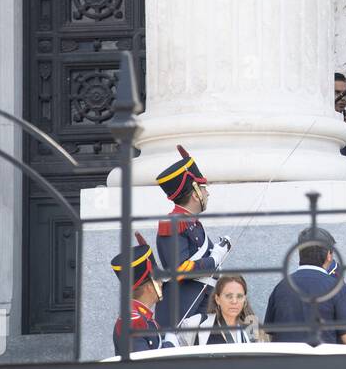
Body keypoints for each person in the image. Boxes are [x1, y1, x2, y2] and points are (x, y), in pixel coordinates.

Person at [154, 144, 230, 327]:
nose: (207, 193)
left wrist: (220, 250)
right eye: (203, 189)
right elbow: (180, 268)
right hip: (183, 305)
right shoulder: (173, 223)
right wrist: (214, 259)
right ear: (195, 193)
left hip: (203, 299)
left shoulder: (191, 222)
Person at [265, 227, 346, 345]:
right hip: (323, 362)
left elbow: (270, 335)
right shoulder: (336, 287)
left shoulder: (280, 287)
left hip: (286, 362)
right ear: (329, 255)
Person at [111, 234, 174, 357]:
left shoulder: (143, 319)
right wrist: (171, 346)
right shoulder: (133, 322)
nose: (161, 283)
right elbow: (144, 366)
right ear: (149, 287)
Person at [178, 275, 263, 345]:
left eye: (239, 296)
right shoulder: (195, 324)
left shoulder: (251, 329)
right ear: (217, 299)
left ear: (244, 299)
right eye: (228, 296)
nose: (234, 301)